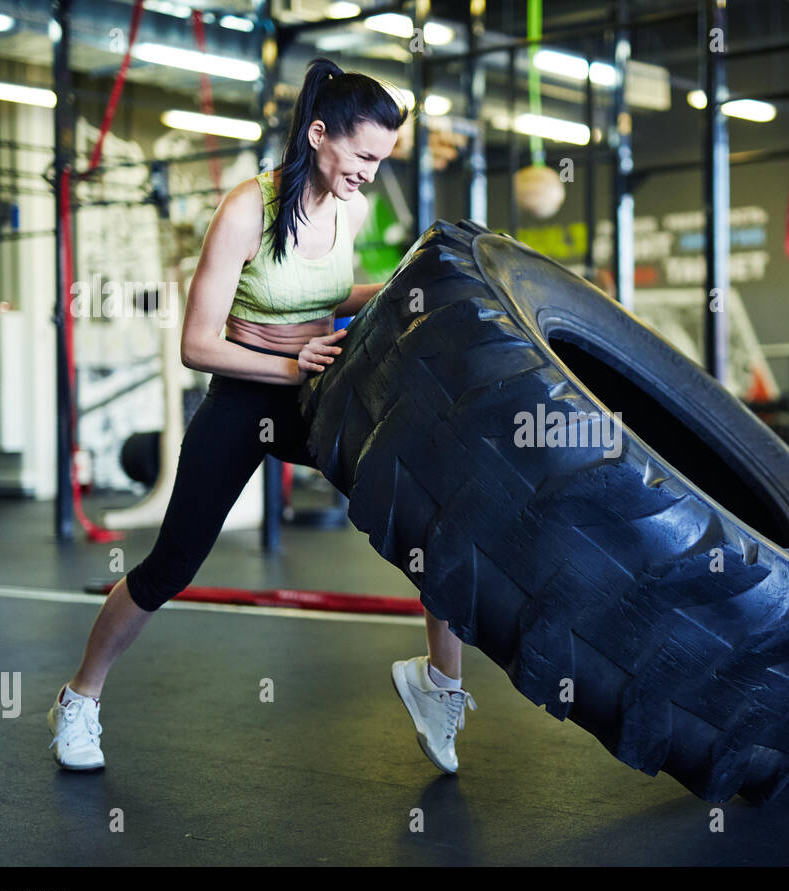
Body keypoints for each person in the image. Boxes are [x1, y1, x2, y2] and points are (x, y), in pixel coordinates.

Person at [47, 59, 476, 778]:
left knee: (432, 513)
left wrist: (408, 280)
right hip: (247, 396)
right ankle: (79, 699)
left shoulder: (351, 208)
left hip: (318, 391)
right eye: (365, 156)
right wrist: (288, 365)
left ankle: (439, 685)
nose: (371, 173)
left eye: (382, 160)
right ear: (319, 135)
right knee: (172, 563)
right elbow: (197, 344)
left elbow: (331, 294)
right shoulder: (250, 206)